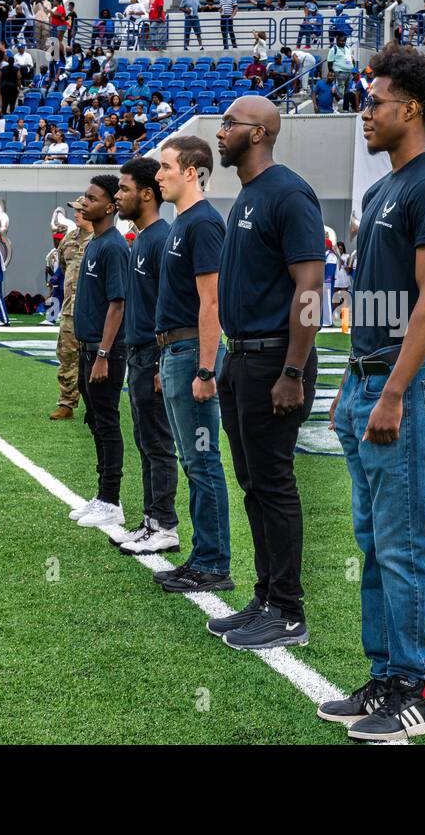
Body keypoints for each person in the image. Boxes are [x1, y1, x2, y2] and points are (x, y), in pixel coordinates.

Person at [320, 45, 425, 742]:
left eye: (374, 101)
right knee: (373, 538)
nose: (364, 111)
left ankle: (417, 686)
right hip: (365, 377)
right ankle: (385, 674)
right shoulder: (383, 190)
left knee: (402, 540)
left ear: (412, 108)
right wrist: (357, 381)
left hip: (400, 384)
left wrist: (395, 391)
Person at [211, 96, 324, 649]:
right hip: (242, 359)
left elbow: (309, 286)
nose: (220, 131)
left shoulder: (288, 192)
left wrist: (294, 370)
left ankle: (288, 611)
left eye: (230, 124)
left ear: (259, 134)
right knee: (253, 483)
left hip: (274, 361)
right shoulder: (249, 195)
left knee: (274, 484)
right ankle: (266, 596)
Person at [150, 136, 233, 594]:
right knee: (192, 461)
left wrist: (205, 369)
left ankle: (215, 563)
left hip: (190, 356)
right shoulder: (183, 222)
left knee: (202, 462)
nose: (157, 175)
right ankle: (203, 555)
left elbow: (212, 301)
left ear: (191, 172)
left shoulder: (202, 223)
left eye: (165, 167)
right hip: (175, 354)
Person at [111, 157, 181, 556]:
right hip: (138, 354)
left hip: (152, 356)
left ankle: (164, 524)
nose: (118, 196)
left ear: (147, 193)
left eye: (124, 189)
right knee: (145, 439)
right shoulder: (141, 238)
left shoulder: (160, 239)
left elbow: (167, 306)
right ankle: (151, 520)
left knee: (157, 441)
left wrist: (158, 361)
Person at [67, 175, 131, 529]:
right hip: (88, 347)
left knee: (107, 423)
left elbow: (117, 305)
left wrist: (104, 354)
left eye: (91, 198)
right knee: (95, 420)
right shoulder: (95, 241)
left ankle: (111, 498)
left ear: (110, 206)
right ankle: (102, 494)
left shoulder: (113, 246)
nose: (83, 203)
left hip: (105, 351)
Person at [52, 203, 93, 420]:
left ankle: (94, 405)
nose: (76, 214)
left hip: (94, 311)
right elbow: (64, 267)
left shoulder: (100, 239)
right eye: (75, 210)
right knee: (67, 355)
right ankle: (66, 402)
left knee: (93, 358)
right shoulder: (68, 240)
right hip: (70, 310)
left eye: (80, 210)